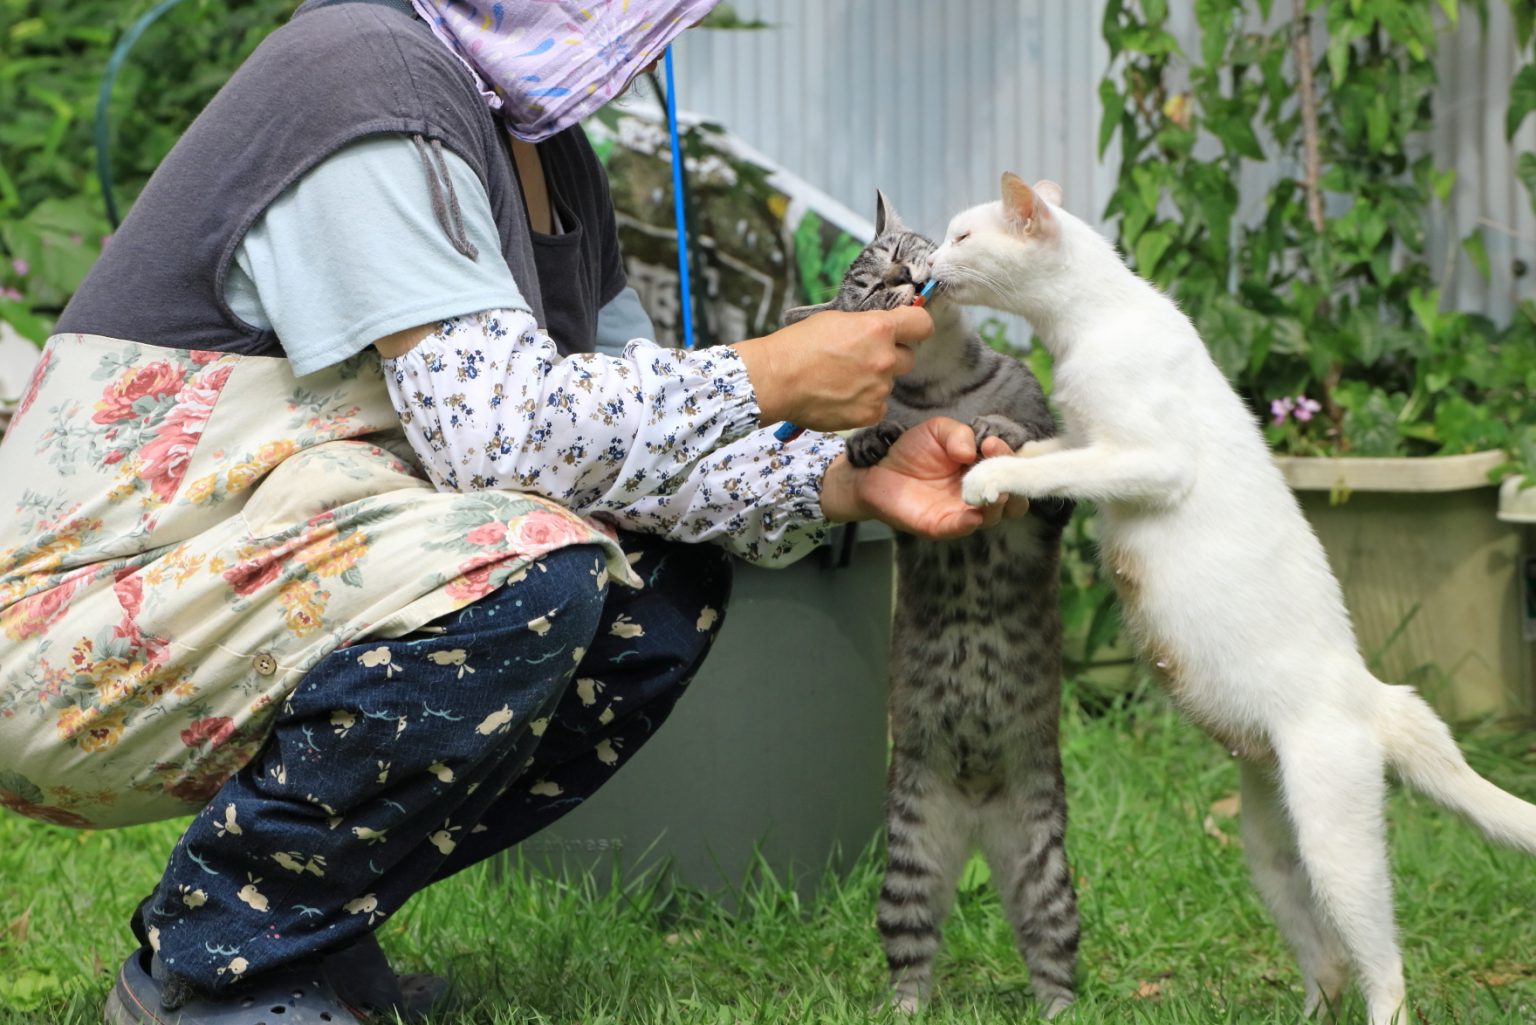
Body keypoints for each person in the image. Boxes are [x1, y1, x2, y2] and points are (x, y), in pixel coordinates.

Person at [0, 1, 1022, 1021]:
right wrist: (767, 372)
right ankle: (214, 963)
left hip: (229, 588)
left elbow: (627, 456)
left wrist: (839, 479)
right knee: (529, 569)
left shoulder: (547, 155)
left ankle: (302, 929)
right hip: (63, 632)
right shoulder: (364, 78)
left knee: (658, 575)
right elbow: (501, 439)